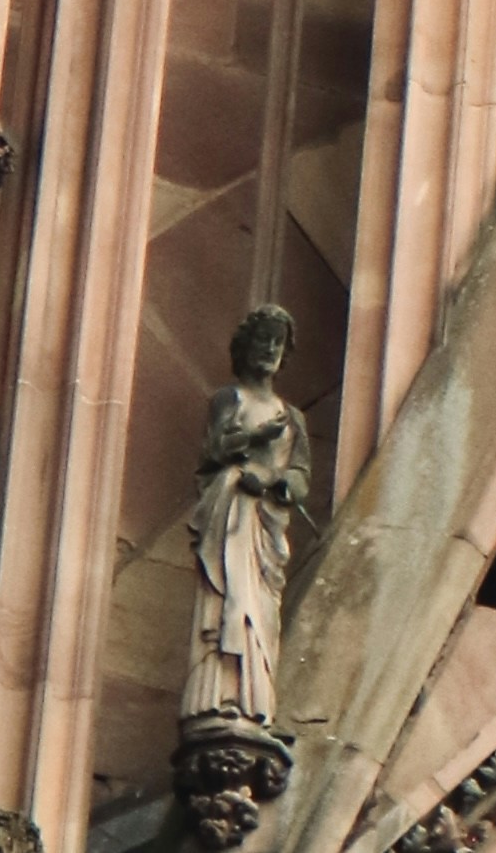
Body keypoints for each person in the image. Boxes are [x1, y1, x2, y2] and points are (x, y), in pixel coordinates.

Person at [181, 307, 311, 727]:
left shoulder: (293, 418)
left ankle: (254, 697)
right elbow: (215, 449)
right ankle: (218, 693)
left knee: (260, 606)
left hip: (265, 520)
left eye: (278, 342)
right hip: (232, 510)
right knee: (229, 599)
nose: (270, 349)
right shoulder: (229, 398)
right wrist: (255, 440)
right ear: (246, 347)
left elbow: (300, 473)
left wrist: (277, 483)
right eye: (263, 340)